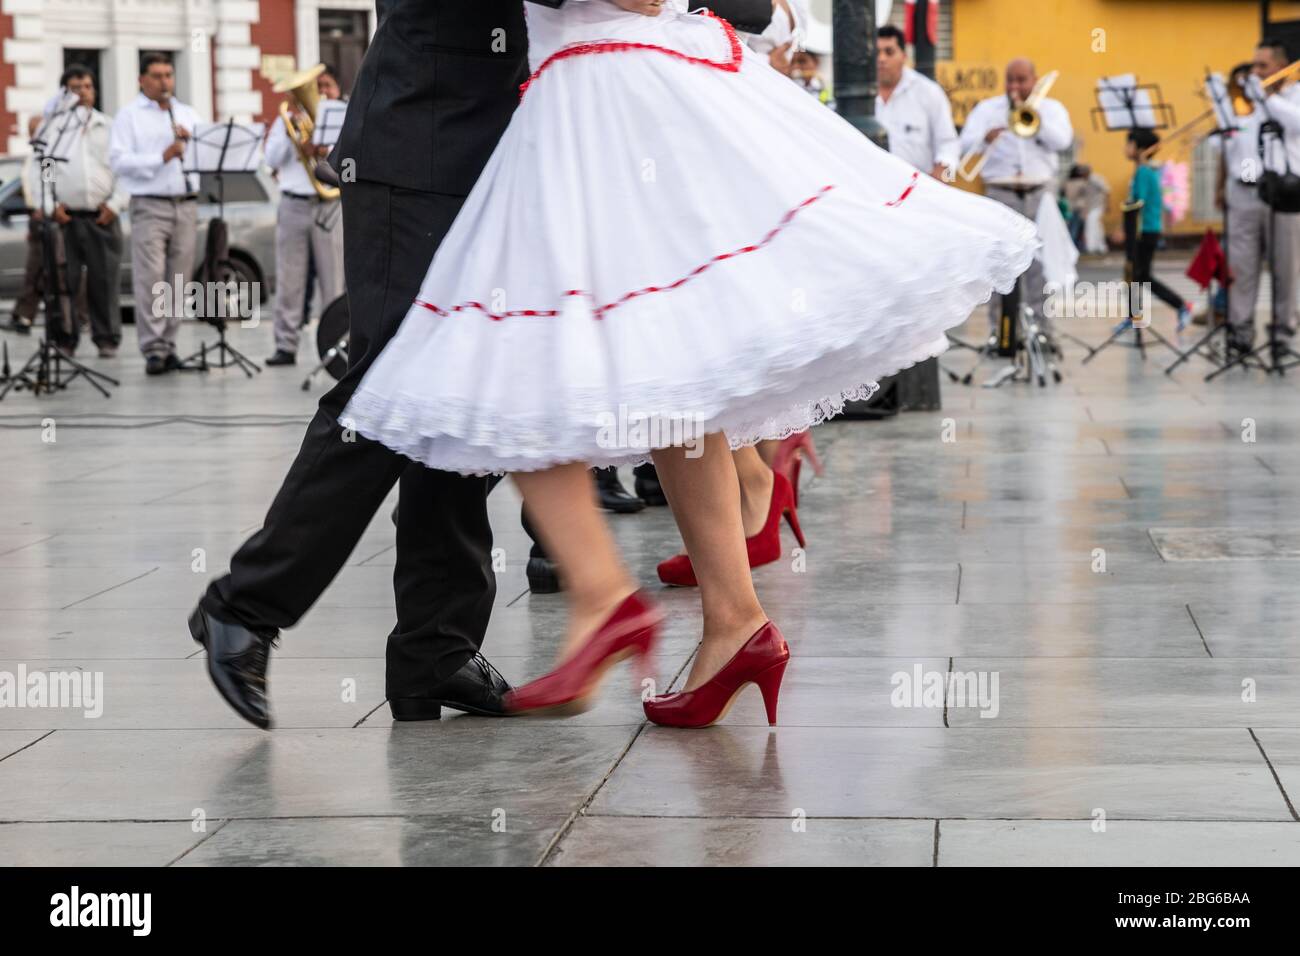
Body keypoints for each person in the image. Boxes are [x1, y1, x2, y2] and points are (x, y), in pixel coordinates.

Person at [338, 0, 1037, 728]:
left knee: (506, 351)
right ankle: (733, 620)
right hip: (623, 82)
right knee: (661, 363)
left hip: (600, 93)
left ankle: (606, 600)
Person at [187, 0, 774, 730]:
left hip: (506, 153)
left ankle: (436, 649)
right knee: (385, 391)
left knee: (473, 395)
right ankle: (243, 608)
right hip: (419, 148)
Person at [959, 58, 1073, 338]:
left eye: (1021, 80)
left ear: (1033, 80)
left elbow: (1063, 142)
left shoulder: (1051, 109)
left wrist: (1037, 122)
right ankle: (1003, 334)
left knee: (1040, 266)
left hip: (1039, 193)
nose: (1015, 87)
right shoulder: (988, 110)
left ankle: (1041, 332)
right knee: (1001, 265)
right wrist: (985, 138)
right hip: (1000, 192)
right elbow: (963, 143)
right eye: (1010, 80)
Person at [109, 54, 200, 376]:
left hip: (186, 203)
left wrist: (194, 145)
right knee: (151, 279)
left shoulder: (187, 114)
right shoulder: (128, 116)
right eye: (158, 76)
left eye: (169, 75)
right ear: (142, 80)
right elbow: (119, 162)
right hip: (150, 204)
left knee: (178, 281)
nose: (165, 82)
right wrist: (161, 157)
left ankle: (169, 344)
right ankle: (153, 348)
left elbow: (204, 158)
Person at [28, 65, 127, 358]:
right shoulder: (53, 129)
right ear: (63, 93)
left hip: (102, 215)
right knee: (62, 281)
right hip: (65, 216)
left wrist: (116, 203)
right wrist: (50, 205)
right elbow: (42, 170)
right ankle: (65, 338)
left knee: (104, 281)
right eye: (75, 88)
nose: (82, 93)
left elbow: (123, 169)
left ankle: (106, 338)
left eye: (87, 86)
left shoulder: (108, 127)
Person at [1218, 39, 1300, 360]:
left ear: (1281, 67)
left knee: (1286, 267)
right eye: (1253, 66)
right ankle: (1240, 333)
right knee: (1242, 268)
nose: (1255, 72)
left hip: (1284, 192)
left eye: (1262, 66)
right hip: (1245, 190)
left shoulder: (1293, 96)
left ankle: (1282, 334)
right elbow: (1231, 147)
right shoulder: (1247, 103)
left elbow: (1294, 123)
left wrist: (1266, 97)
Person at [263, 64, 346, 367]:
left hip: (329, 205)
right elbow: (269, 159)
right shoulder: (286, 119)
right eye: (317, 86)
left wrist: (325, 151)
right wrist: (291, 137)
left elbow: (351, 159)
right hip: (294, 203)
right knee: (289, 279)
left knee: (334, 280)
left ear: (338, 90)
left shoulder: (343, 116)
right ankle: (285, 345)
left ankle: (336, 345)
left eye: (327, 86)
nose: (322, 91)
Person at [1121, 129, 1192, 332]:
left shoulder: (1143, 172)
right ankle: (1132, 317)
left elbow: (1137, 203)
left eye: (1129, 144)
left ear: (1140, 149)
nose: (1125, 149)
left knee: (1140, 275)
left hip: (1144, 230)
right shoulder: (1144, 170)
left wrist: (1123, 229)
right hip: (1145, 229)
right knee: (1135, 275)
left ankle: (1181, 305)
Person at [875, 24, 959, 180]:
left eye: (889, 52)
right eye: (877, 53)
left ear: (904, 56)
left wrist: (943, 176)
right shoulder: (856, 96)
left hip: (917, 195)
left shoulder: (929, 92)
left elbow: (950, 147)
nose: (881, 59)